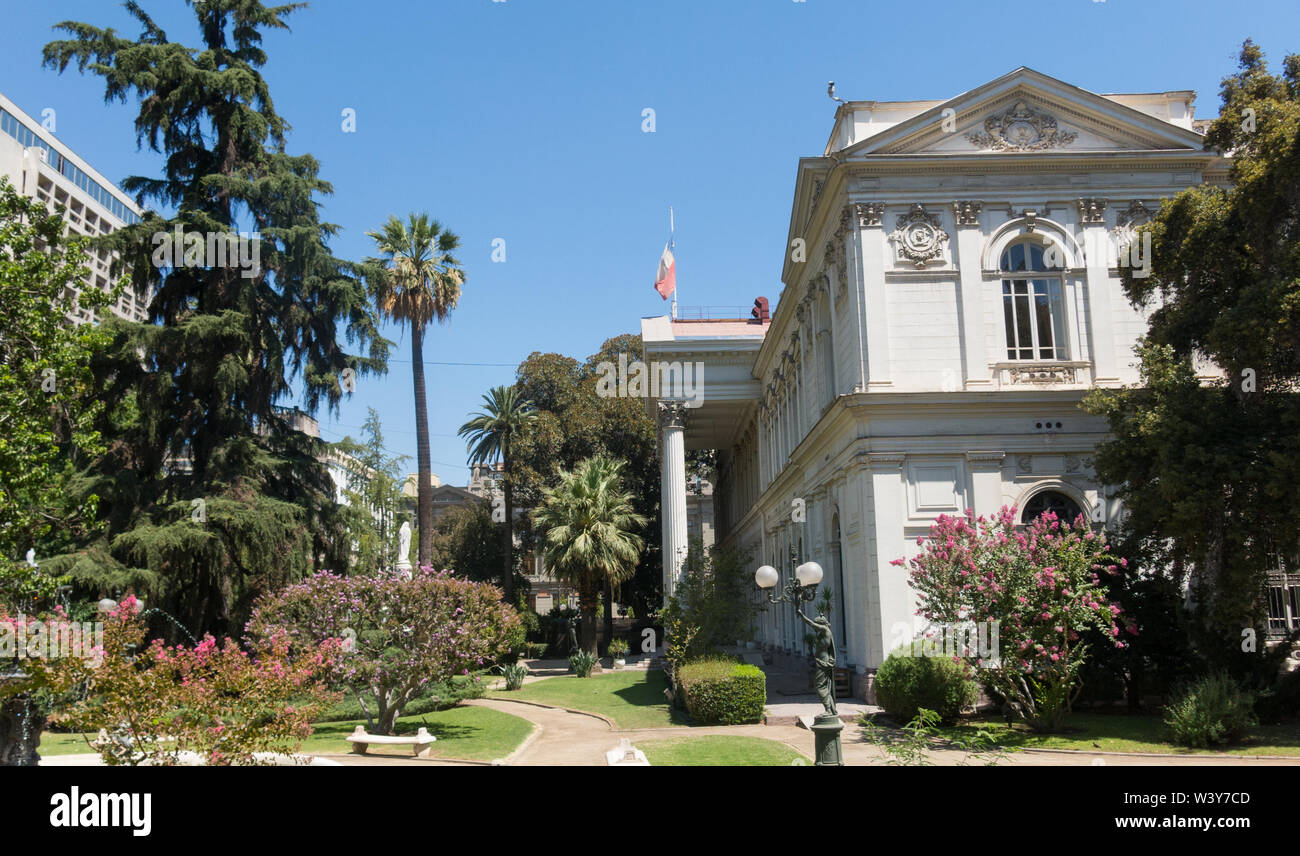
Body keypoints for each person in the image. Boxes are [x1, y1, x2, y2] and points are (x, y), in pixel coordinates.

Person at [796, 604, 837, 716]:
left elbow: (811, 624)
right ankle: (830, 709)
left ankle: (828, 710)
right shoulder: (823, 632)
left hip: (823, 662)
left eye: (818, 624)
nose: (816, 627)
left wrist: (802, 615)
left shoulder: (825, 630)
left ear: (821, 624)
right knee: (823, 686)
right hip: (821, 662)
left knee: (819, 686)